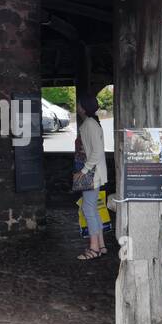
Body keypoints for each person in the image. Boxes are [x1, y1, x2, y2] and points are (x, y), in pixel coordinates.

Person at [74, 94, 109, 260]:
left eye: (79, 104)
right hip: (95, 173)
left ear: (83, 107)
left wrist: (85, 170)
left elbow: (97, 151)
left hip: (92, 174)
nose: (77, 106)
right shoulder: (92, 123)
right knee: (92, 209)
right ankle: (101, 245)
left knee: (88, 209)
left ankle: (94, 248)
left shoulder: (89, 125)